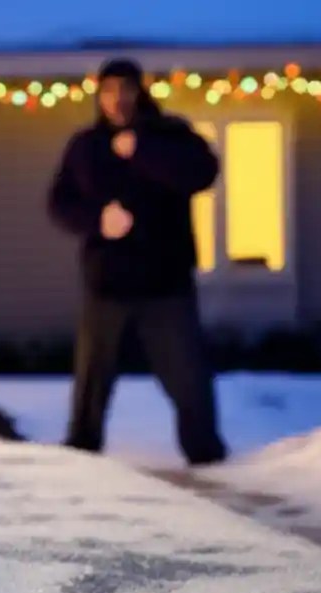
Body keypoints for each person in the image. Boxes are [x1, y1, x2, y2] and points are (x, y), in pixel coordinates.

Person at [47, 57, 228, 466]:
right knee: (93, 377)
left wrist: (142, 151)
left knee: (188, 376)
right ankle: (81, 453)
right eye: (109, 91)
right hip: (107, 284)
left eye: (125, 89)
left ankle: (207, 457)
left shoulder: (170, 134)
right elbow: (59, 203)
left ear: (140, 92)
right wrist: (97, 220)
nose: (117, 99)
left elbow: (203, 172)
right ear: (99, 96)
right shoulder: (86, 146)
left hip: (166, 283)